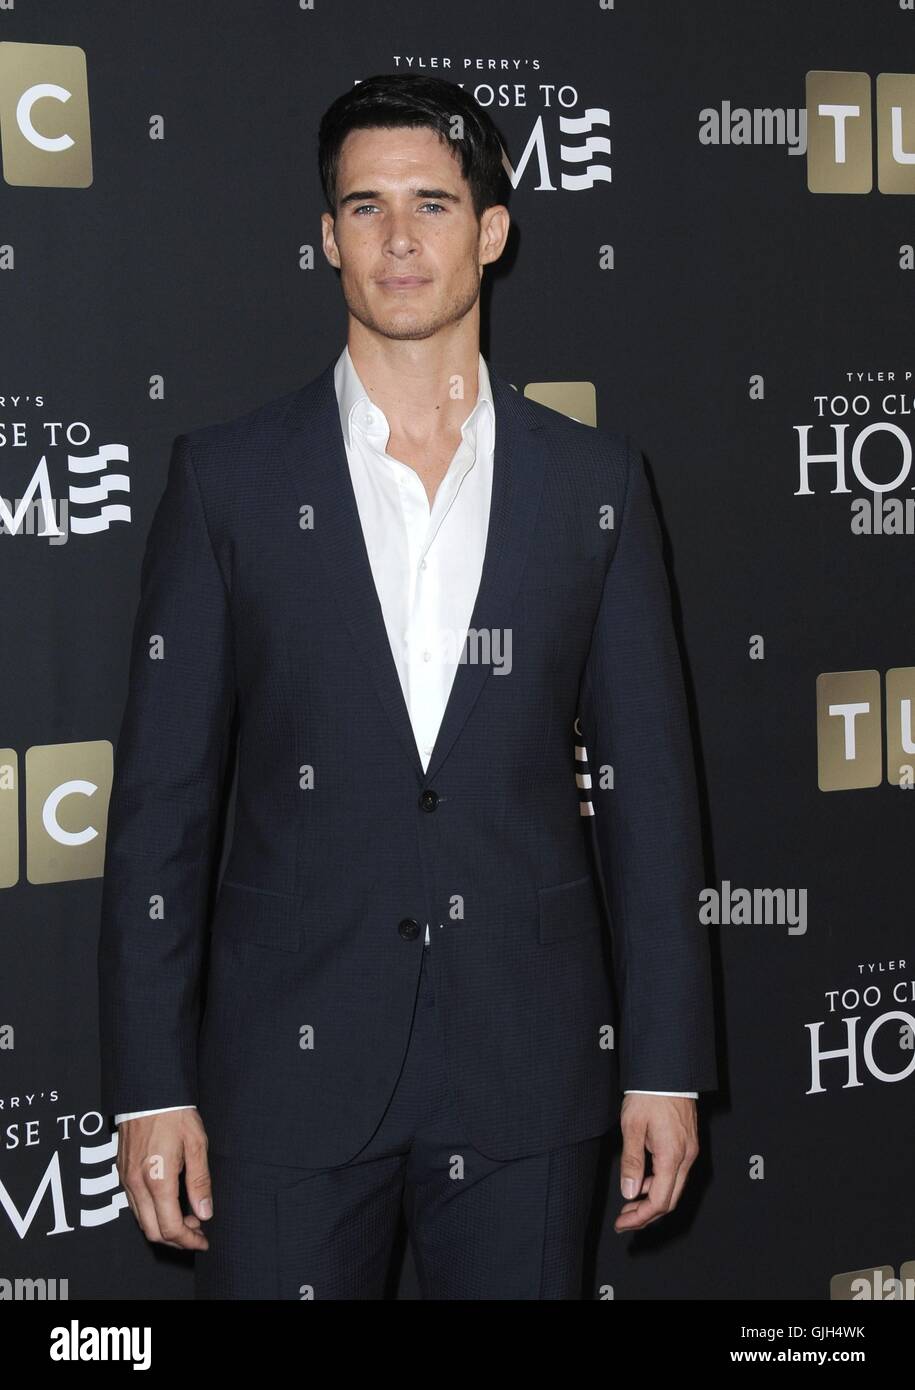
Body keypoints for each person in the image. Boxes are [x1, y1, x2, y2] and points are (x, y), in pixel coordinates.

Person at [97, 72, 717, 1300]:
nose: (398, 238)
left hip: (531, 1065)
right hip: (286, 1069)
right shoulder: (228, 483)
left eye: (433, 202)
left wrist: (664, 1062)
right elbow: (162, 808)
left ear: (491, 230)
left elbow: (650, 795)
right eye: (365, 205)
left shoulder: (594, 482)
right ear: (327, 236)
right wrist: (153, 1080)